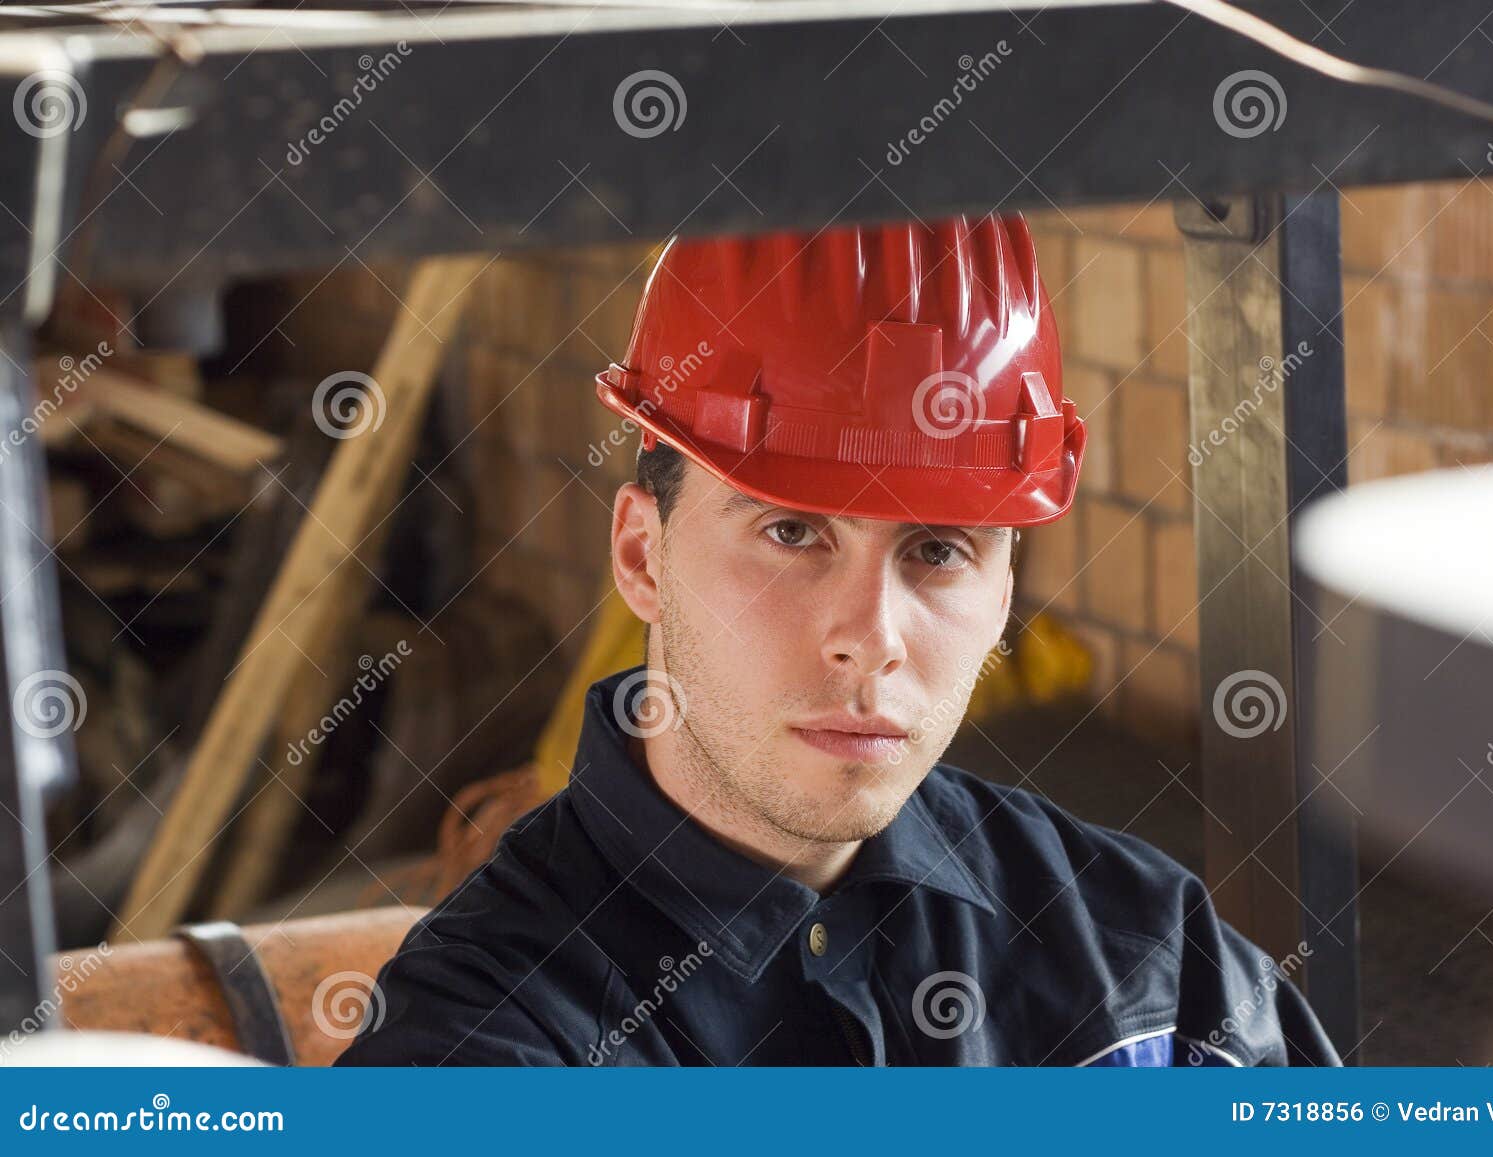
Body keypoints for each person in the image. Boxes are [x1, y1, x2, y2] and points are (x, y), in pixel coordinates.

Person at [335, 213, 1340, 1066]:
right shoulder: (487, 1046)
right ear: (643, 556)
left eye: (938, 549)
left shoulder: (1147, 957)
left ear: (1004, 592)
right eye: (791, 531)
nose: (870, 637)